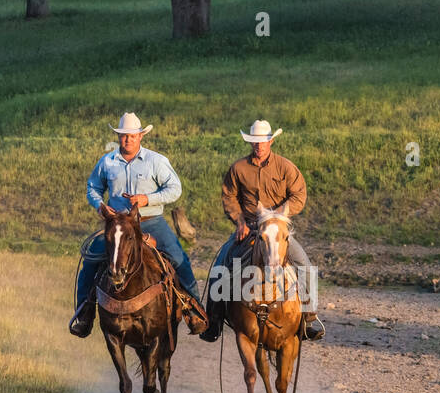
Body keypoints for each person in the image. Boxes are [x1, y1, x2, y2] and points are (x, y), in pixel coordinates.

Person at [69, 112, 207, 337]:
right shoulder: (107, 162)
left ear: (141, 136)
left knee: (180, 259)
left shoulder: (156, 161)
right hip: (117, 225)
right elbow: (92, 187)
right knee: (90, 261)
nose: (128, 140)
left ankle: (194, 309)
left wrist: (147, 199)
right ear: (118, 136)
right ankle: (84, 313)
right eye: (123, 136)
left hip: (151, 221)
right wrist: (100, 206)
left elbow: (175, 188)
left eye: (132, 135)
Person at [199, 120, 324, 343]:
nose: (259, 145)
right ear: (251, 142)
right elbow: (229, 196)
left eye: (263, 141)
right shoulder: (238, 168)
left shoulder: (285, 167)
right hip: (249, 228)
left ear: (271, 140)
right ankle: (214, 320)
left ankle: (308, 319)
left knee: (304, 265)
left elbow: (299, 195)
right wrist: (239, 222)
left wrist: (280, 214)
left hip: (276, 229)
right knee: (220, 266)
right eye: (255, 141)